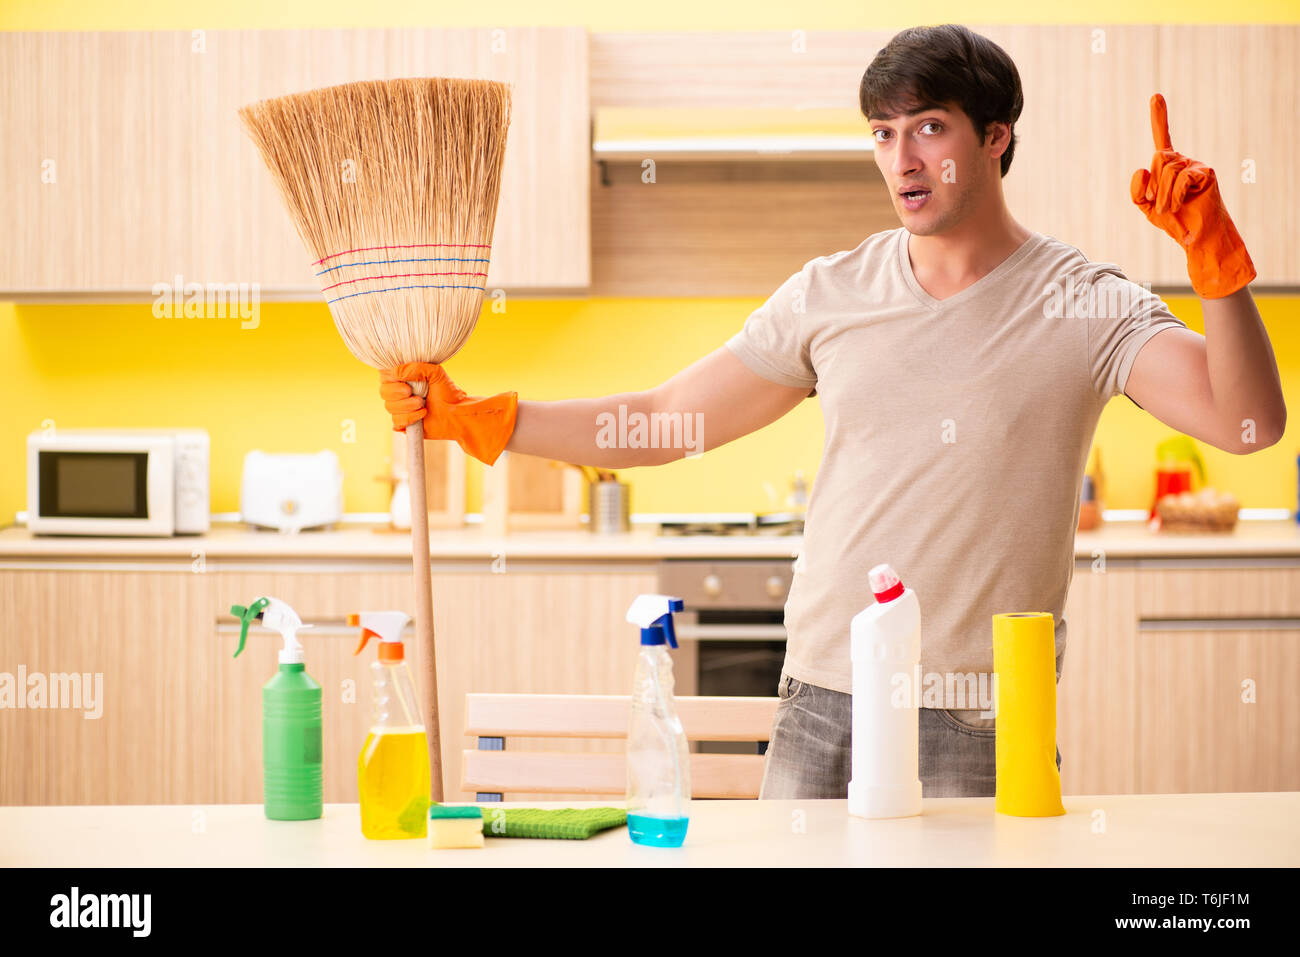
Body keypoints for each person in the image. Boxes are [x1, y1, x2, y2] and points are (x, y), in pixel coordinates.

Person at [379, 24, 1286, 799]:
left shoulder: (1081, 300)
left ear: (996, 138)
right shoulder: (831, 291)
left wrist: (1217, 267)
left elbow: (1248, 423)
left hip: (981, 711)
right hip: (825, 700)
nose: (903, 159)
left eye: (930, 128)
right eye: (885, 133)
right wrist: (493, 421)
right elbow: (665, 420)